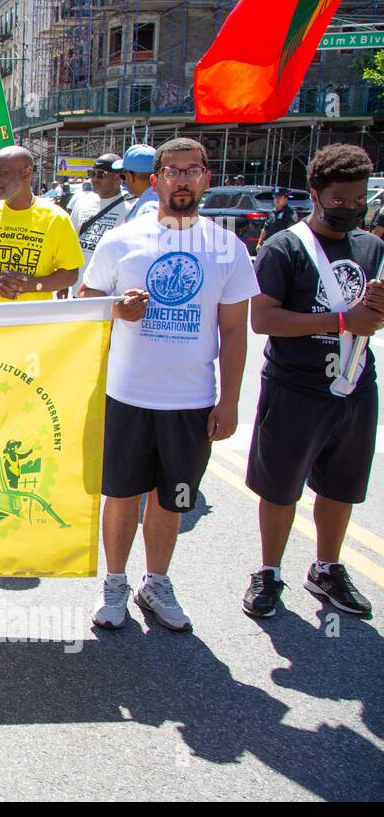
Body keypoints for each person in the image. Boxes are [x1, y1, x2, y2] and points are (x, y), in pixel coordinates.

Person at [81, 137, 260, 632]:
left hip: (191, 401)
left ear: (206, 177)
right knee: (119, 495)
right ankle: (114, 583)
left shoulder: (227, 247)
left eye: (192, 170)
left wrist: (230, 401)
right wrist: (116, 309)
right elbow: (85, 303)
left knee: (171, 498)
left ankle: (155, 581)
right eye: (172, 171)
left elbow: (232, 332)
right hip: (128, 396)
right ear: (155, 180)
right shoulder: (123, 240)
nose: (182, 179)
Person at [243, 144, 384, 619]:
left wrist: (372, 317)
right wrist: (345, 321)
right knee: (281, 488)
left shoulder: (371, 247)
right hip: (296, 387)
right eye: (339, 200)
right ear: (315, 194)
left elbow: (372, 315)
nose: (349, 208)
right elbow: (263, 319)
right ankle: (269, 571)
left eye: (357, 199)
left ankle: (326, 568)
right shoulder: (285, 246)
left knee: (341, 487)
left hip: (355, 386)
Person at [0, 146, 83, 303]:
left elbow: (70, 274)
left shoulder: (56, 218)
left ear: (26, 173)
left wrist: (32, 285)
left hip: (32, 323)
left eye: (1, 172)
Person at [67, 153, 131, 295]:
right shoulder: (83, 202)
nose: (94, 179)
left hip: (109, 294)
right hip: (78, 291)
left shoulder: (131, 207)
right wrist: (64, 282)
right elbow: (69, 243)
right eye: (92, 173)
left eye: (100, 174)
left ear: (117, 177)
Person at [114, 144, 158, 219]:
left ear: (131, 177)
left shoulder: (148, 210)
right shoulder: (164, 200)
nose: (124, 181)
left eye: (123, 176)